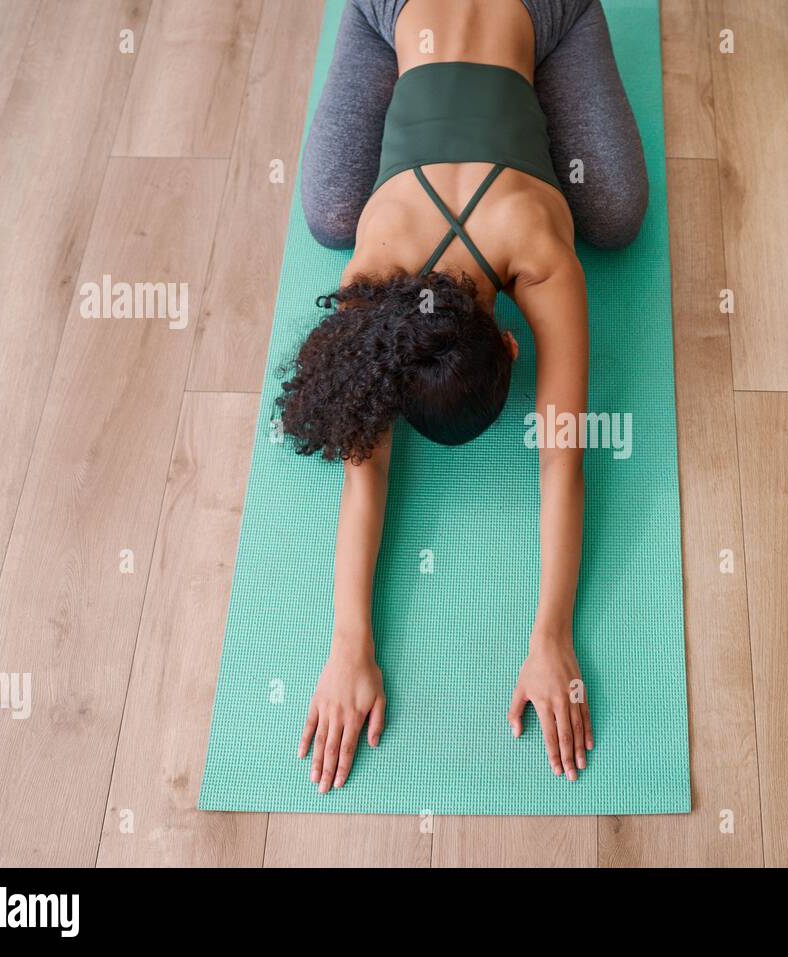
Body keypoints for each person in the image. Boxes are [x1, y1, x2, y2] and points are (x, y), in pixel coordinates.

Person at [279, 0, 647, 792]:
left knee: (616, 213)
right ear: (508, 336)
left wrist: (552, 637)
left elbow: (561, 465)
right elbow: (546, 464)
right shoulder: (374, 281)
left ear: (509, 339)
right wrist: (348, 645)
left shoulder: (539, 249)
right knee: (328, 215)